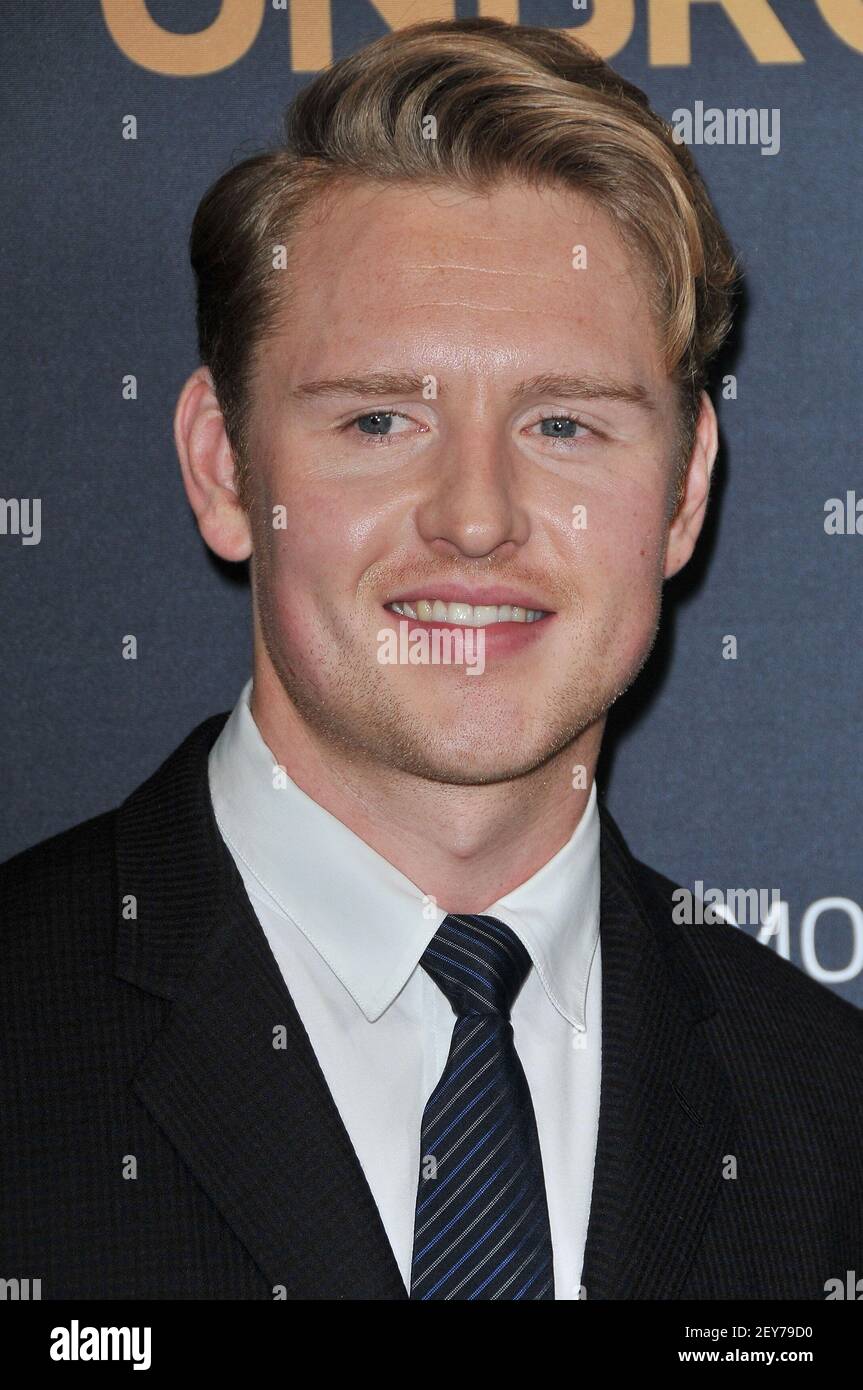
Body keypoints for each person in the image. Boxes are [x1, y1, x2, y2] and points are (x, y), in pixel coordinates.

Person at [2, 17, 860, 1301]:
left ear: (682, 494)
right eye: (379, 417)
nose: (473, 514)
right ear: (224, 466)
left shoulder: (830, 1120)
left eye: (562, 421)